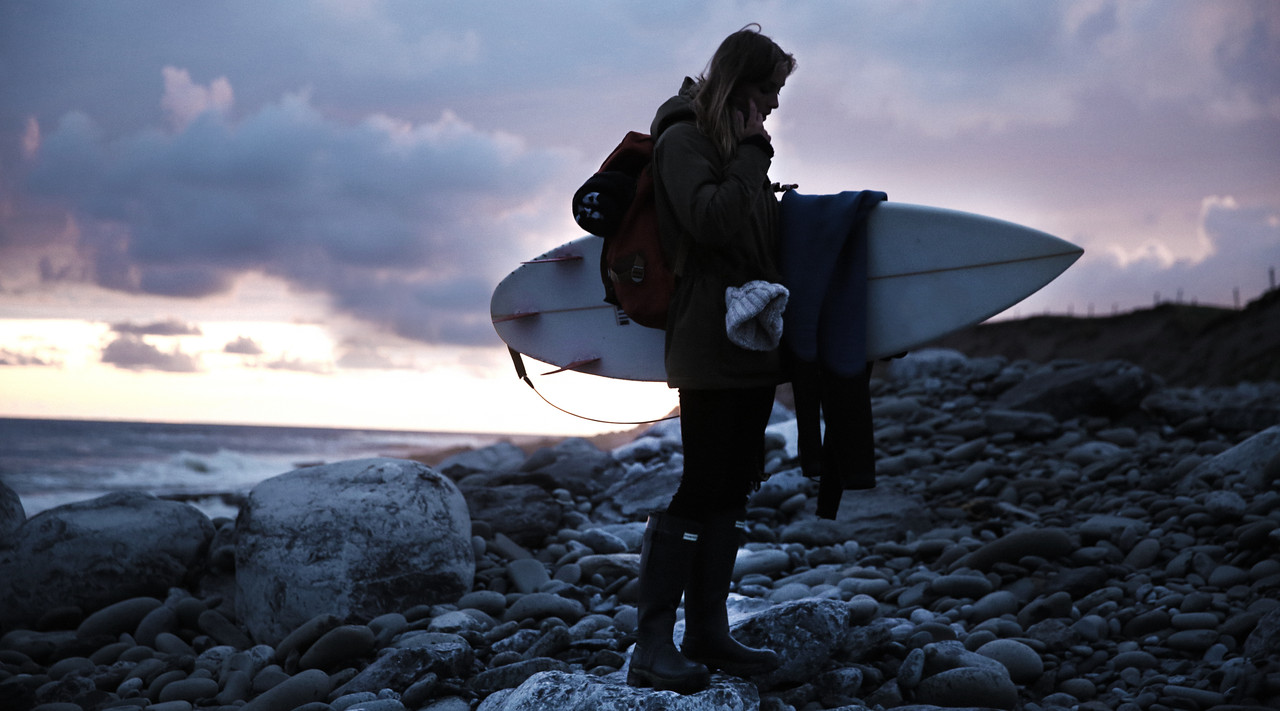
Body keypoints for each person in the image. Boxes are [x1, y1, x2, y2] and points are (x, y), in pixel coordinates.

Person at [626, 25, 795, 694]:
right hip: (705, 340)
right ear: (738, 83)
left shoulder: (731, 147)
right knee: (701, 487)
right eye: (768, 90)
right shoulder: (683, 141)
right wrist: (755, 153)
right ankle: (652, 643)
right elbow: (711, 222)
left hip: (751, 340)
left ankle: (707, 630)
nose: (775, 106)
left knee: (731, 486)